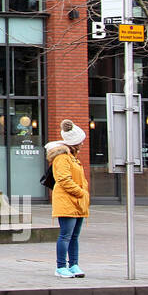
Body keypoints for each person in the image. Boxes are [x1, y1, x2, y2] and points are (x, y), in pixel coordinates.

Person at [47, 119, 89, 279]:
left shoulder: (72, 157)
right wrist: (80, 192)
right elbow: (64, 179)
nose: (83, 144)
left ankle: (74, 264)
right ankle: (60, 266)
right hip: (67, 201)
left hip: (76, 203)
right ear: (75, 143)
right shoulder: (63, 158)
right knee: (65, 235)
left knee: (74, 236)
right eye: (81, 141)